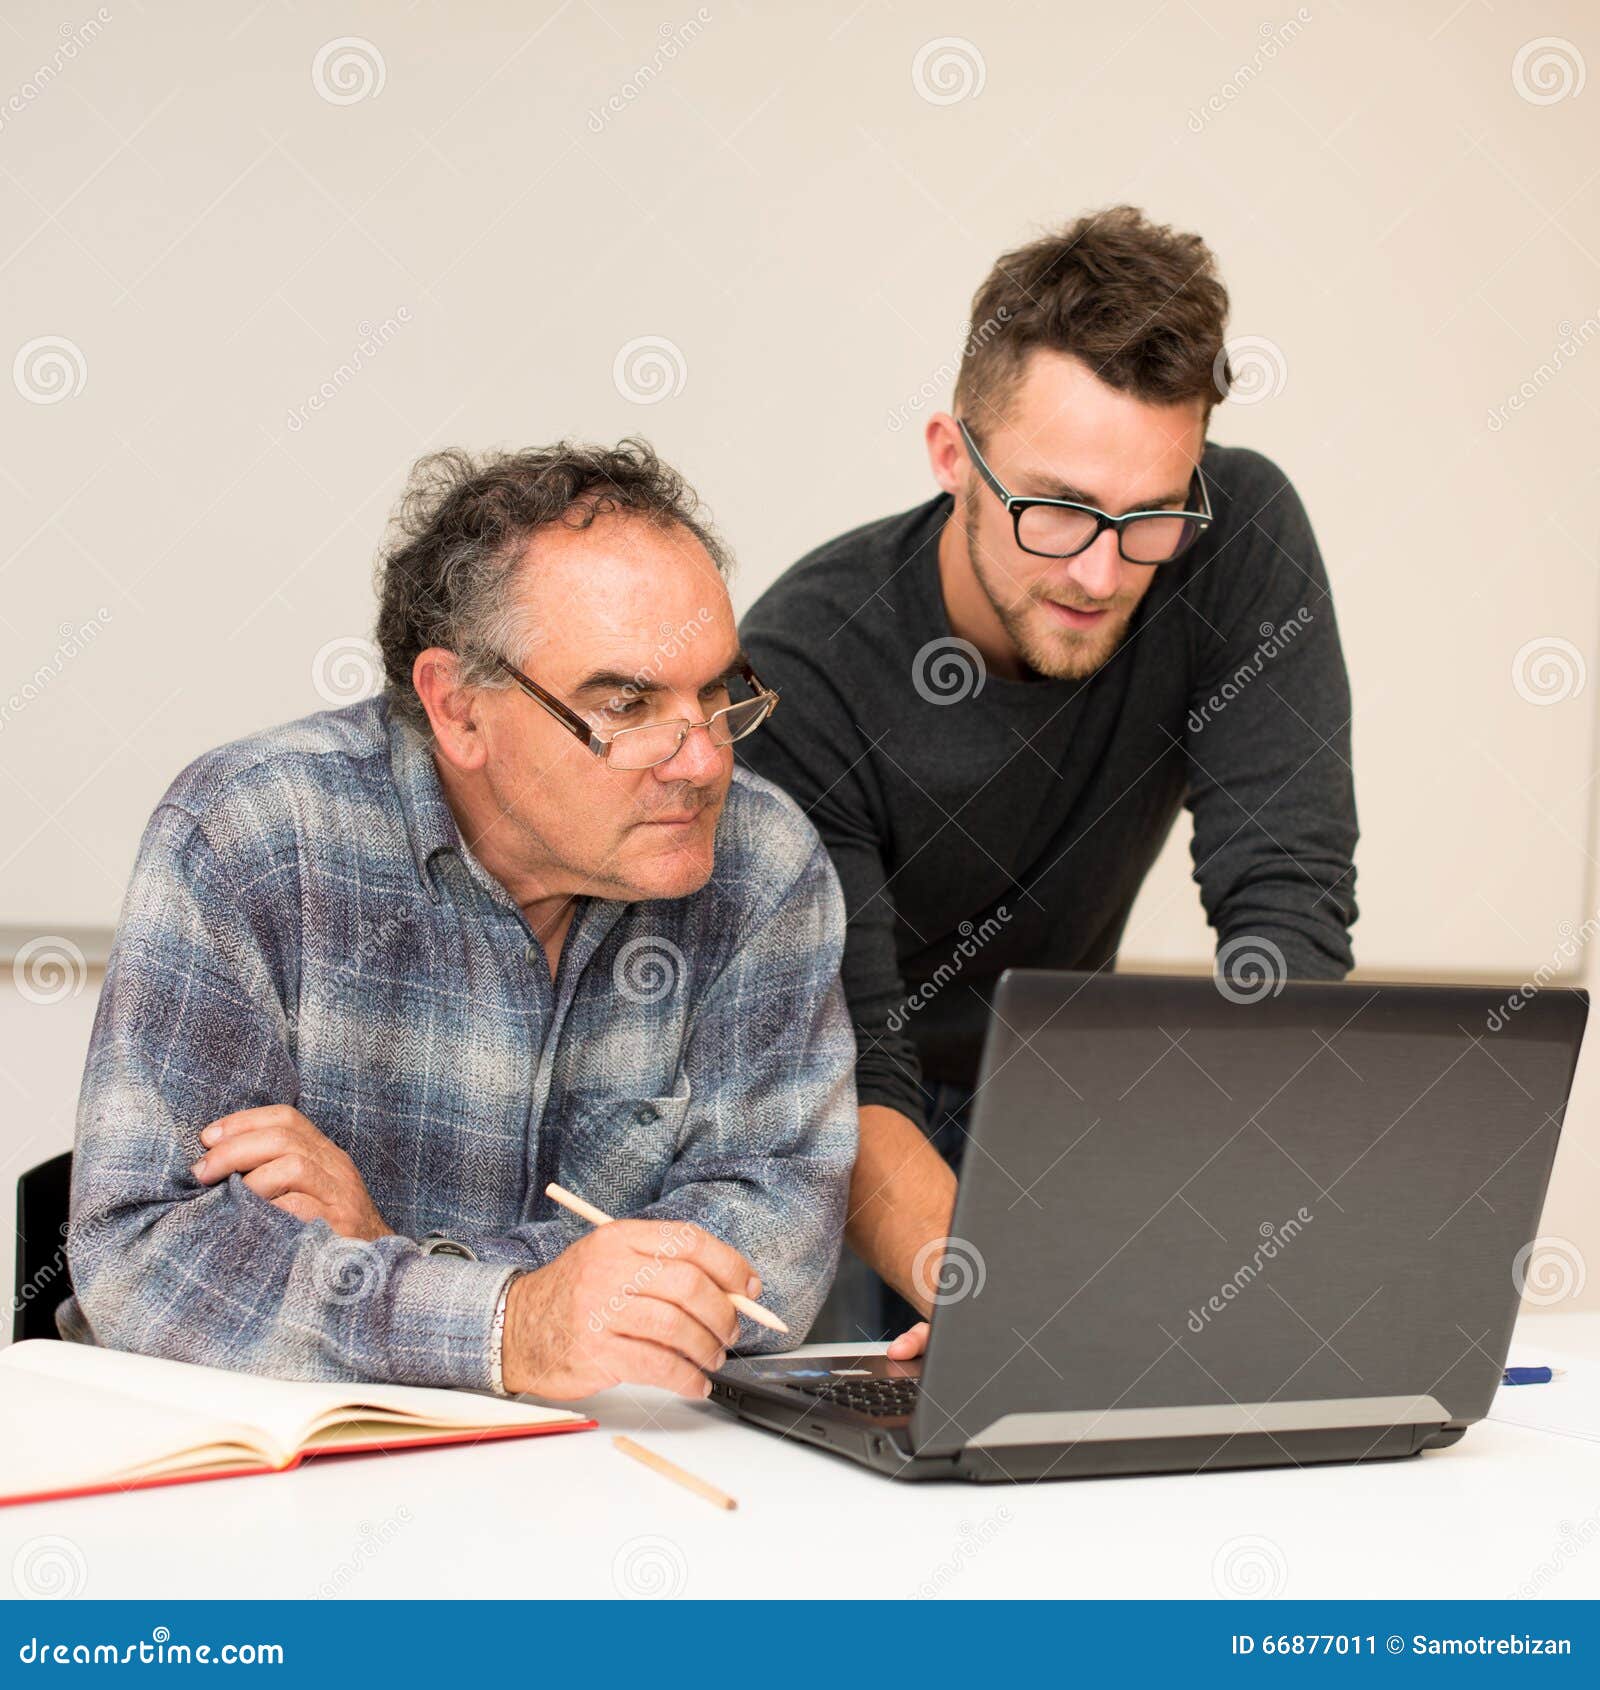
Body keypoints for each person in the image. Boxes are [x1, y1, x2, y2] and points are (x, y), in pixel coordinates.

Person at [62, 441, 856, 1400]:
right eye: (630, 704)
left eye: (718, 692)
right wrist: (513, 1322)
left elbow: (776, 1243)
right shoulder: (253, 835)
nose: (702, 761)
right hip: (279, 1471)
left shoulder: (761, 863)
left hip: (603, 1480)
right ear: (458, 708)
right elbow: (146, 1251)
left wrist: (401, 1258)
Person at [737, 206, 1358, 1353]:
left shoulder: (1234, 534)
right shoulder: (806, 669)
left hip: (1046, 1115)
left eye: (1147, 517)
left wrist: (1276, 1238)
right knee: (847, 1441)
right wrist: (1021, 1309)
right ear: (948, 454)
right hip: (823, 1131)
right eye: (1056, 507)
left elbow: (1287, 902)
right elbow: (846, 1078)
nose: (1098, 570)